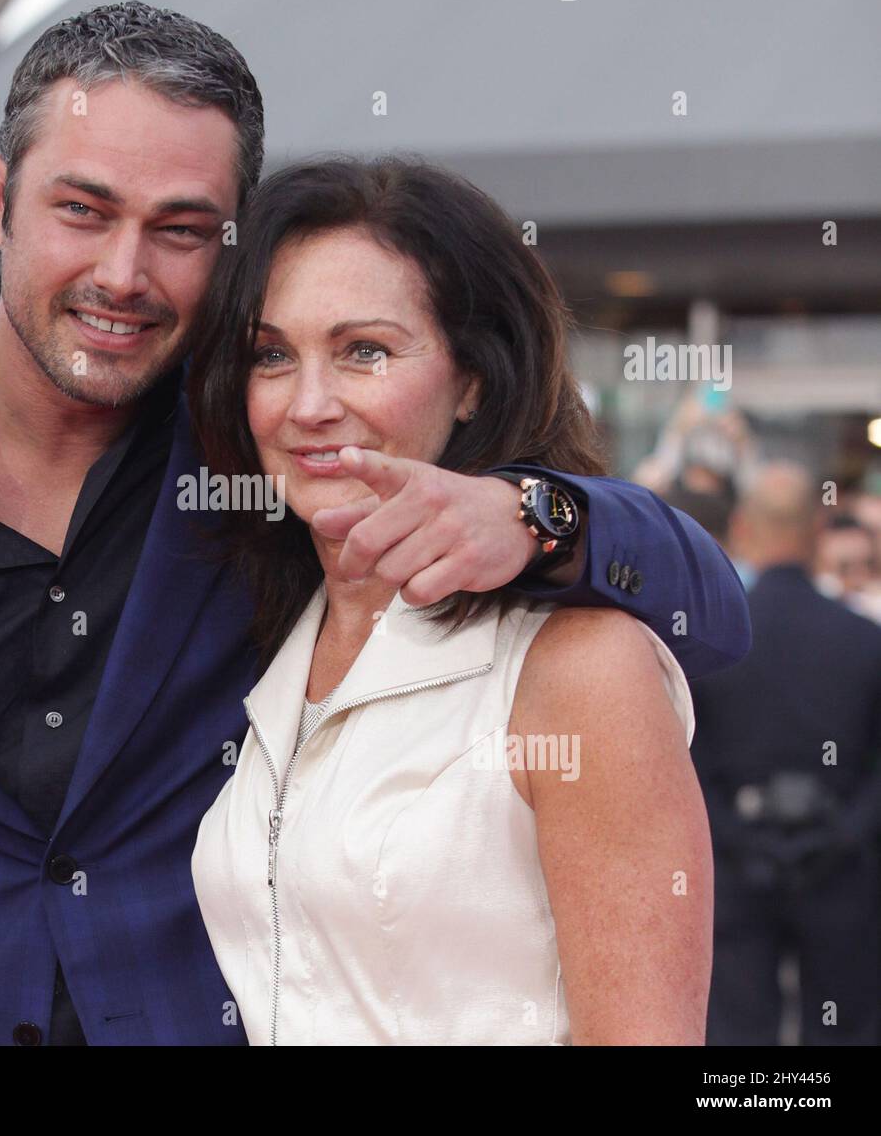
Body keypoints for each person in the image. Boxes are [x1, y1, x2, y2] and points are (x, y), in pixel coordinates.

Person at [0, 1, 748, 1046]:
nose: (122, 275)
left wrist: (535, 510)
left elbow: (711, 616)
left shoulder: (259, 438)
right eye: (82, 210)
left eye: (180, 229)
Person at [188, 157, 714, 1045]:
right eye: (272, 356)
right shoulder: (264, 640)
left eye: (365, 351)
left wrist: (537, 514)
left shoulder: (577, 666)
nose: (308, 405)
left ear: (473, 379)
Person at [690, 464, 881, 1045]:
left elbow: (691, 765)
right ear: (817, 529)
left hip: (738, 871)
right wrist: (844, 833)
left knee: (739, 1039)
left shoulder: (711, 644)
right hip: (842, 872)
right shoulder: (864, 640)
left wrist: (738, 837)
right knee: (843, 1031)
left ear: (743, 528)